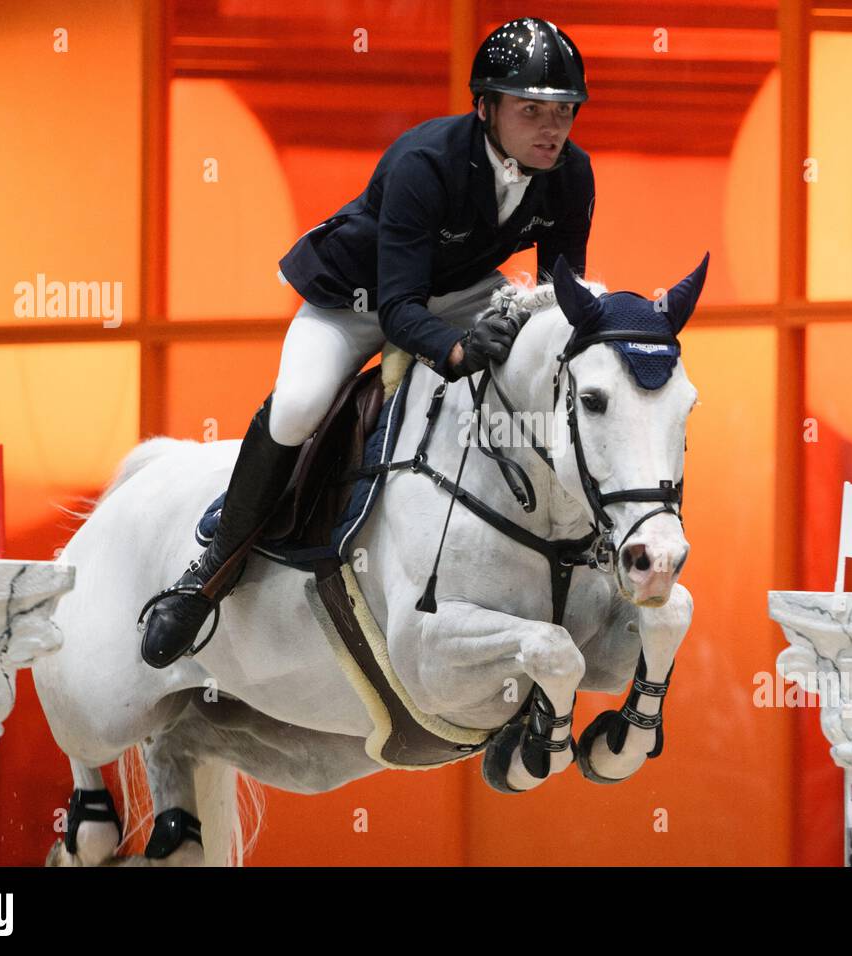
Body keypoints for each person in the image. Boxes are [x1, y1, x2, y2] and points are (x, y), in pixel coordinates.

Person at [139, 16, 596, 668]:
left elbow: (559, 294)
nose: (553, 130)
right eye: (532, 111)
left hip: (463, 291)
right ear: (487, 107)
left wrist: (529, 333)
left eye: (565, 112)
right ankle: (210, 569)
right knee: (298, 405)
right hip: (356, 297)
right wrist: (463, 352)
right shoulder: (423, 162)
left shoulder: (572, 173)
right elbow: (399, 310)